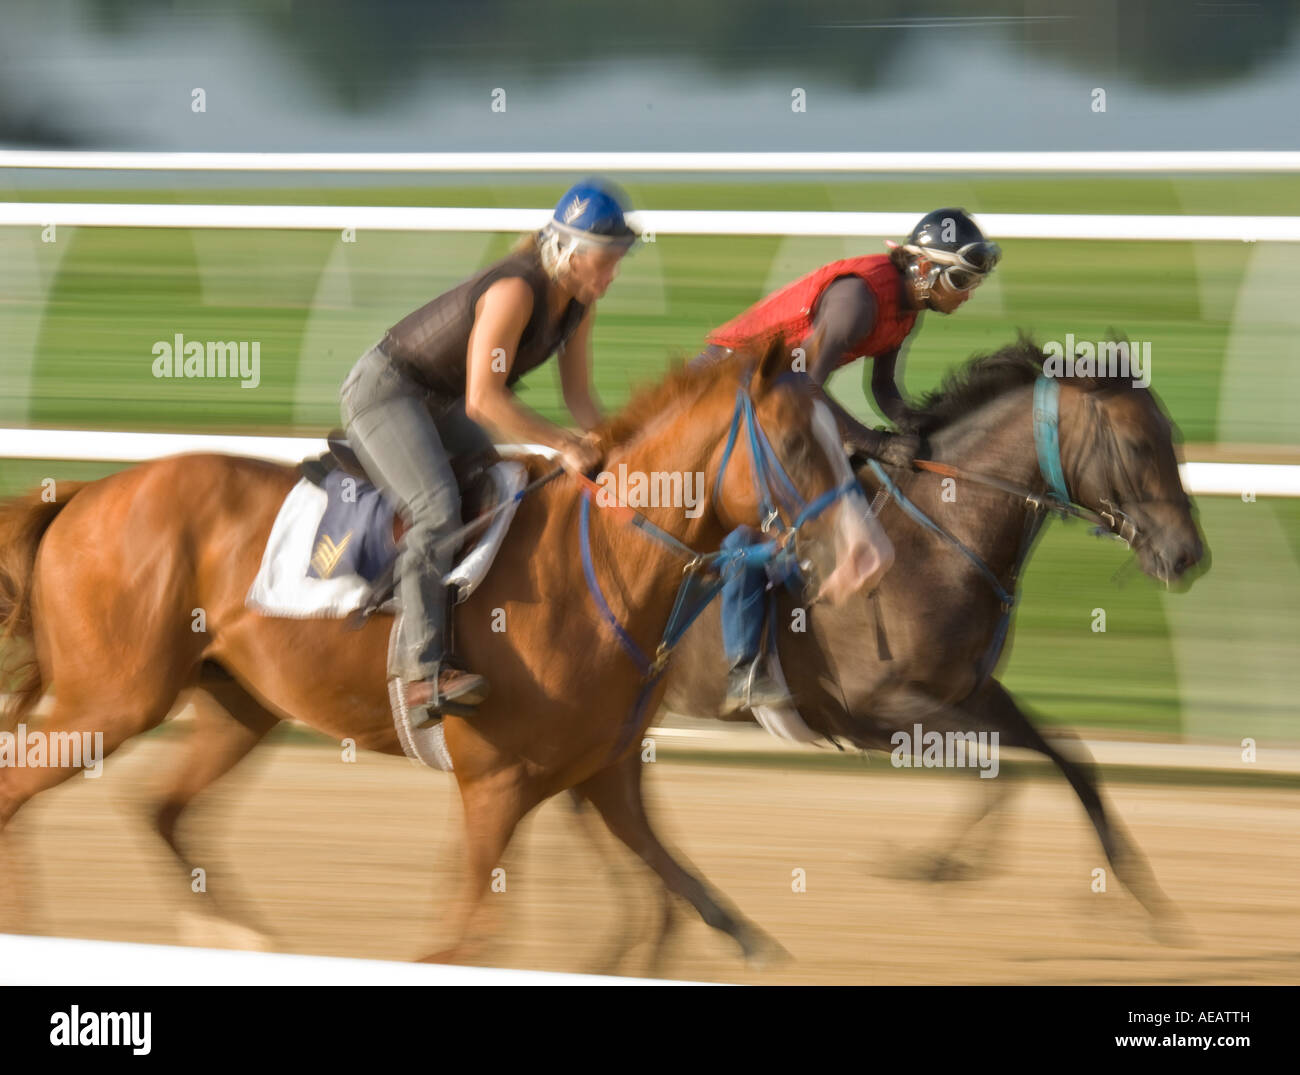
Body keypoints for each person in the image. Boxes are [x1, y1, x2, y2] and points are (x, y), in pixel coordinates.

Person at [339, 178, 637, 719]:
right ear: (568, 252)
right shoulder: (515, 291)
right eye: (606, 258)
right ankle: (421, 671)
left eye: (620, 258)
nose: (614, 272)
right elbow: (483, 400)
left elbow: (580, 400)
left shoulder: (579, 305)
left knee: (502, 487)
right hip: (387, 394)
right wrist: (563, 446)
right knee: (436, 509)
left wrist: (625, 450)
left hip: (440, 402)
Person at [700, 208, 1002, 713]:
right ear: (924, 270)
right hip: (727, 388)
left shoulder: (905, 307)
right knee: (763, 514)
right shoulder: (858, 299)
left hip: (775, 395)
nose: (967, 293)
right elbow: (805, 385)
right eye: (960, 279)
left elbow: (884, 391)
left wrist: (928, 432)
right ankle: (743, 665)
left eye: (972, 282)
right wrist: (873, 443)